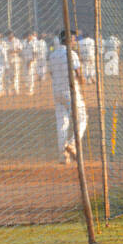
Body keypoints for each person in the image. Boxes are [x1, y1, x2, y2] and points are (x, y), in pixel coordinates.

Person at [49, 29, 87, 163]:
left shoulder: (52, 55)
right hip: (71, 92)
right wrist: (83, 80)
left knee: (62, 123)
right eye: (74, 38)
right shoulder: (72, 54)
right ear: (68, 40)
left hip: (57, 92)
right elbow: (79, 75)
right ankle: (71, 144)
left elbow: (52, 74)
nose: (75, 40)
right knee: (82, 119)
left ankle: (63, 156)